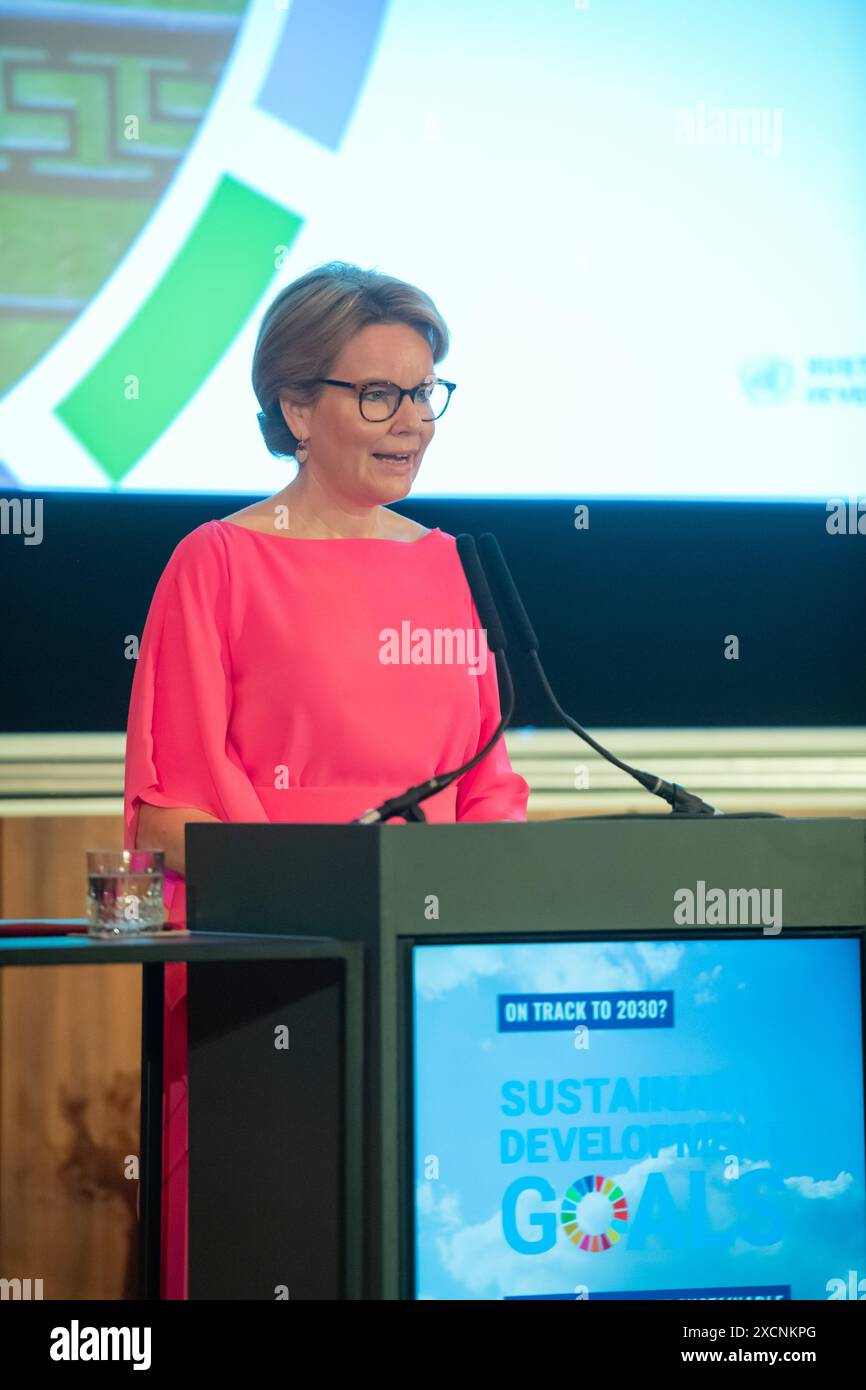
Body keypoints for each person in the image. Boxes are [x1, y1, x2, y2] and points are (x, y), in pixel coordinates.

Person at [123, 260, 529, 1298]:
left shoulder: (448, 564)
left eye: (425, 391)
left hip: (435, 981)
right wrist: (318, 893)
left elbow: (486, 786)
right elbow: (171, 811)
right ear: (295, 404)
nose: (413, 422)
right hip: (274, 976)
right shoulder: (215, 562)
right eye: (379, 394)